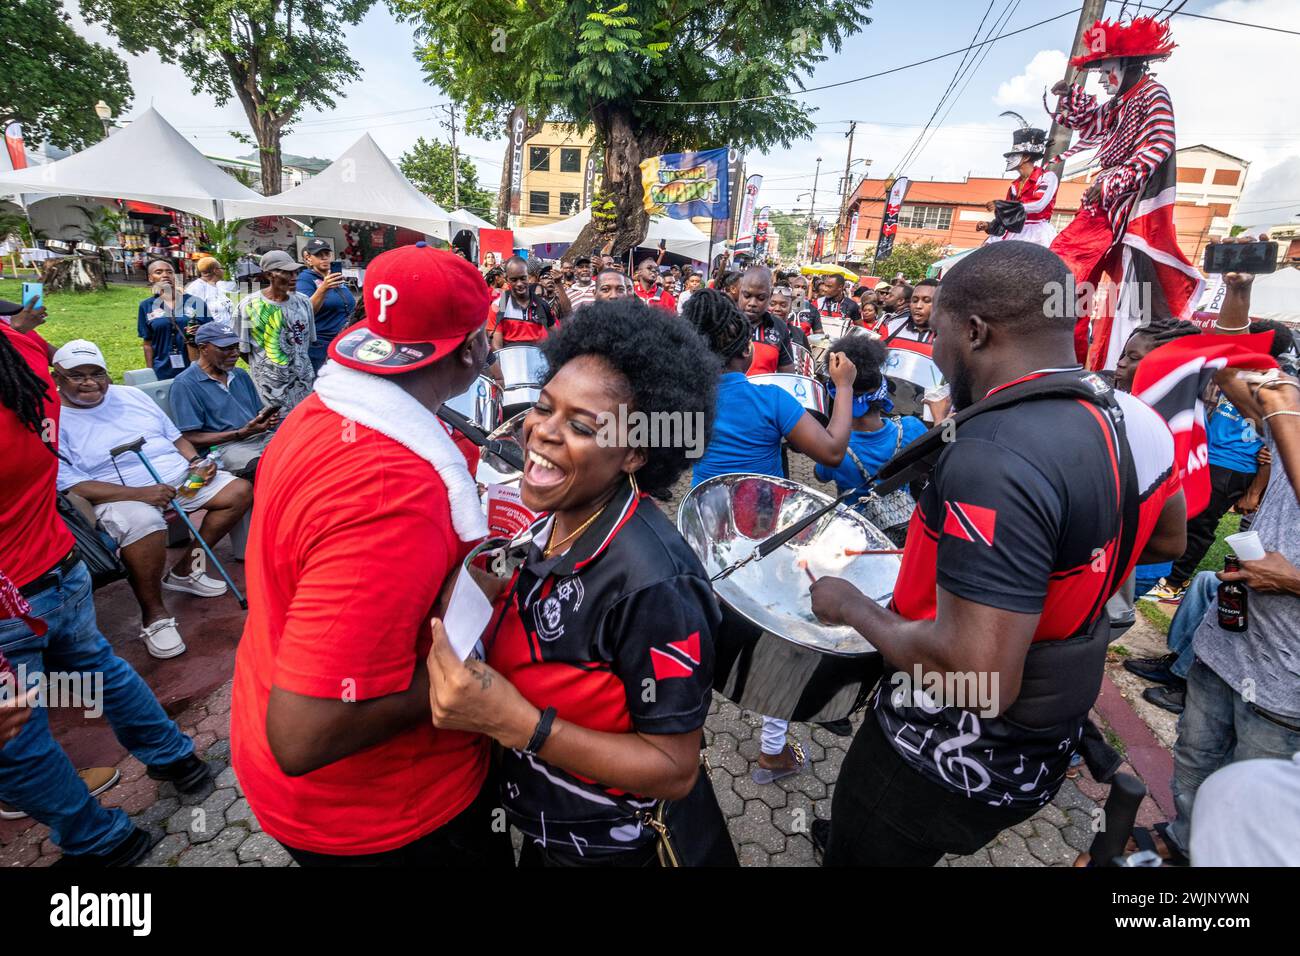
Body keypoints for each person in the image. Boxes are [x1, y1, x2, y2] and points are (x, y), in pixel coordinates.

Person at [808, 241, 1186, 866]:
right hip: (1031, 757)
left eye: (937, 332)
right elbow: (1161, 540)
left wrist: (850, 605)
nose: (933, 351)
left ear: (976, 331)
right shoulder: (1116, 417)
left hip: (938, 759)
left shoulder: (993, 454)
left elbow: (972, 676)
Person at [231, 242, 512, 867]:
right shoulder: (395, 493)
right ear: (471, 348)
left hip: (297, 778)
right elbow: (304, 735)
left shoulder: (324, 410)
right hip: (382, 815)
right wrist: (466, 687)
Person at [425, 298, 731, 866]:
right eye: (543, 408)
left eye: (583, 426)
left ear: (636, 451)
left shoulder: (656, 584)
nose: (542, 433)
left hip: (613, 849)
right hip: (544, 829)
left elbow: (674, 769)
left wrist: (520, 726)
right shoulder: (553, 517)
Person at [0, 324, 211, 866]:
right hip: (55, 566)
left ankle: (100, 840)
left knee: (14, 735)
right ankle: (176, 759)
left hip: (12, 597)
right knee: (98, 670)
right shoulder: (19, 353)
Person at [685, 289, 859, 782]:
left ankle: (684, 731)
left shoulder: (682, 400)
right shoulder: (769, 398)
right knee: (779, 636)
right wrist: (842, 386)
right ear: (745, 352)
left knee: (698, 632)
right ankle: (772, 750)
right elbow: (829, 451)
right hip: (765, 535)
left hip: (706, 533)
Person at [53, 339, 253, 658]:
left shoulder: (131, 396)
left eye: (97, 373)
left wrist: (195, 463)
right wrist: (141, 494)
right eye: (77, 376)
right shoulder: (53, 417)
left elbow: (175, 437)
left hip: (179, 482)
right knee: (144, 523)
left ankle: (187, 569)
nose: (90, 382)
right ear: (57, 377)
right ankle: (155, 616)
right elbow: (71, 484)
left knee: (238, 491)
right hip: (118, 496)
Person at [1048, 14, 1202, 368]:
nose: (1103, 78)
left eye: (1106, 70)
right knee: (1066, 281)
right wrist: (1069, 96)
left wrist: (1109, 184)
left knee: (1075, 279)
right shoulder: (1122, 100)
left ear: (1127, 62)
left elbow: (1159, 144)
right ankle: (1065, 358)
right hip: (1106, 209)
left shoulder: (1153, 94)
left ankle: (1072, 362)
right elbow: (1090, 121)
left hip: (1125, 210)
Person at [813, 335, 928, 501]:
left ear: (837, 395)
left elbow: (820, 476)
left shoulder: (834, 447)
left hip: (853, 524)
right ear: (883, 389)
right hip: (902, 521)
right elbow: (940, 457)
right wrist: (943, 422)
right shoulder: (912, 428)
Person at [169, 322, 281, 478]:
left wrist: (265, 418)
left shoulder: (240, 374)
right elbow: (190, 437)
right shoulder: (185, 384)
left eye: (236, 347)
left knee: (302, 454)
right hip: (225, 447)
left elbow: (257, 410)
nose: (235, 353)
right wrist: (239, 433)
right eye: (226, 348)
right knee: (264, 468)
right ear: (203, 348)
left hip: (259, 436)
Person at [238, 250, 317, 412]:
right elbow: (242, 349)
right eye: (287, 273)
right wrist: (266, 366)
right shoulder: (249, 306)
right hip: (269, 391)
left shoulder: (303, 302)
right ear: (268, 275)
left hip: (303, 387)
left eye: (295, 272)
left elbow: (305, 342)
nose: (294, 277)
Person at [977, 112, 1059, 248]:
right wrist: (990, 225)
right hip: (1013, 231)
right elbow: (1008, 216)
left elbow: (1039, 204)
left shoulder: (1047, 177)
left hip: (1037, 233)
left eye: (1013, 155)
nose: (1008, 159)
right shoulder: (1014, 187)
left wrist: (1001, 205)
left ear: (1026, 157)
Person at [137, 257, 211, 380]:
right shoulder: (146, 306)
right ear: (150, 278)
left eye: (169, 272)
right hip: (163, 369)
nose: (165, 275)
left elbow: (212, 334)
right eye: (159, 272)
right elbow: (147, 344)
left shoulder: (195, 302)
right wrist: (150, 371)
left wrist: (200, 332)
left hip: (196, 366)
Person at [296, 238, 356, 372]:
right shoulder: (305, 279)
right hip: (321, 346)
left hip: (344, 342)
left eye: (327, 254)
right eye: (319, 255)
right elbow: (305, 312)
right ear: (308, 258)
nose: (324, 258)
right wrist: (323, 288)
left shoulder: (334, 277)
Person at [736, 265, 796, 376]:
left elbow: (788, 376)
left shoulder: (780, 327)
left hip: (764, 392)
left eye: (761, 298)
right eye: (747, 296)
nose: (752, 303)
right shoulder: (724, 322)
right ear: (739, 292)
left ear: (769, 297)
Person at [488, 255, 556, 349]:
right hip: (510, 360)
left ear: (528, 277)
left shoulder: (542, 305)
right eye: (514, 280)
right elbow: (497, 346)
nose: (519, 284)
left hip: (538, 359)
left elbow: (557, 337)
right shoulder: (500, 305)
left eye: (523, 278)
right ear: (507, 279)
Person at [881, 278, 937, 344]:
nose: (918, 306)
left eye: (926, 301)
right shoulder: (892, 326)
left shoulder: (948, 337)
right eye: (915, 300)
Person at [183, 256, 237, 325]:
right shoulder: (196, 288)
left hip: (225, 331)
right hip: (212, 332)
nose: (223, 271)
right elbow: (190, 314)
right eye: (222, 268)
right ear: (215, 270)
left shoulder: (216, 285)